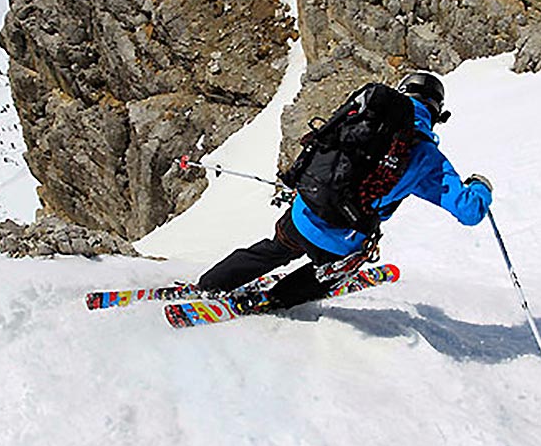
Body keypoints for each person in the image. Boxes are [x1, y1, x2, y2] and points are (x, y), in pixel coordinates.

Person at [197, 71, 493, 309]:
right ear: (437, 112)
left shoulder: (364, 116)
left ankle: (210, 284)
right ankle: (280, 299)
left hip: (305, 210)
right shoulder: (427, 158)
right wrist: (480, 186)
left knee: (275, 248)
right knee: (334, 271)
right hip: (343, 237)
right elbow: (469, 211)